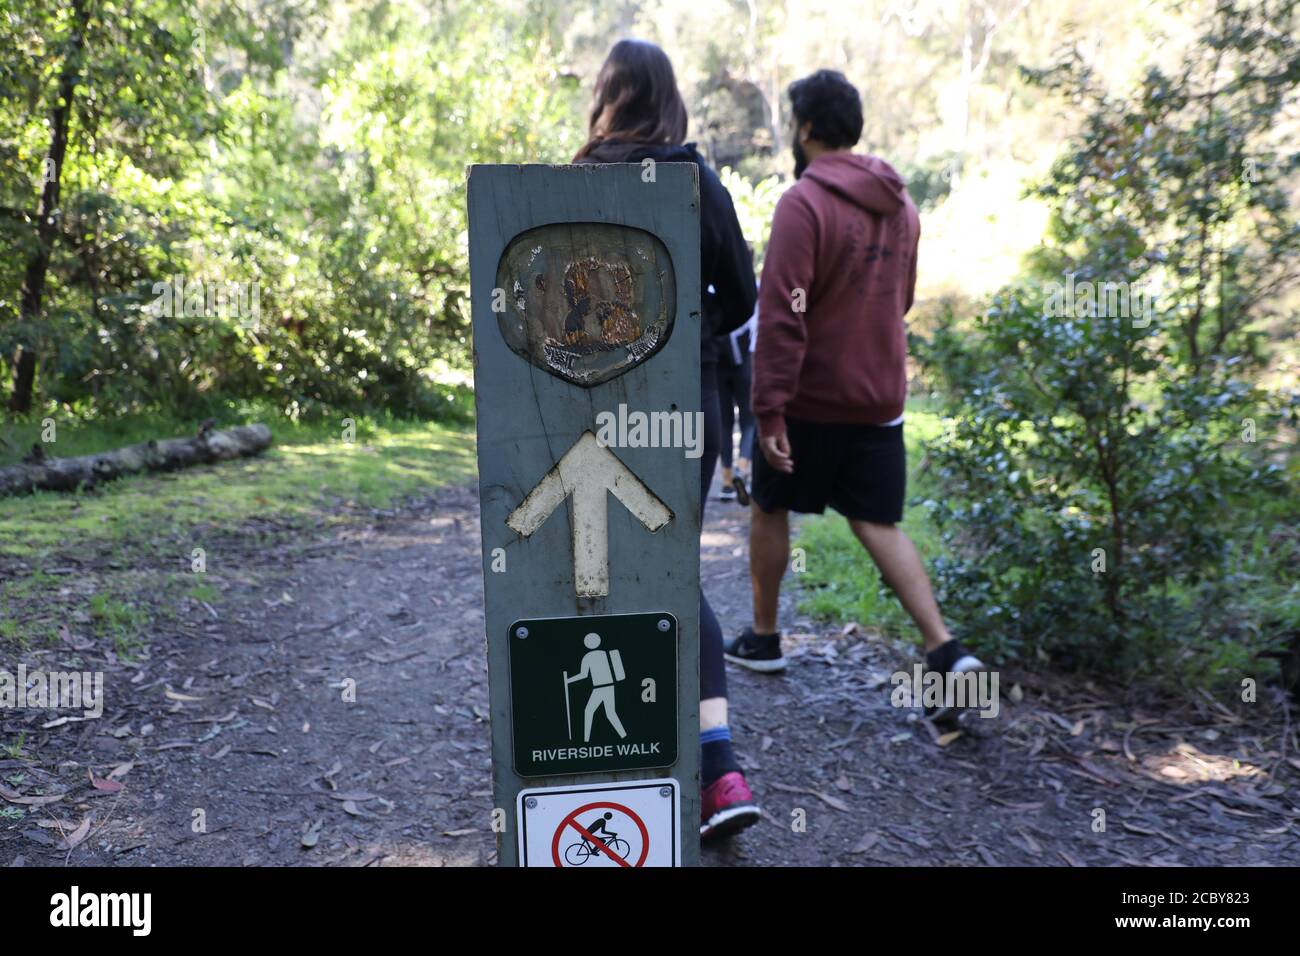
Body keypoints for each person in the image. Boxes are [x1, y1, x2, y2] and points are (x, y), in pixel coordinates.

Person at [725, 70, 985, 721]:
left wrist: (770, 406)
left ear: (807, 128)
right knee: (877, 522)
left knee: (769, 502)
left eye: (793, 121)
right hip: (880, 400)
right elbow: (903, 299)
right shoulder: (902, 206)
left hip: (811, 400)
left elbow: (783, 313)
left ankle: (764, 638)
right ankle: (947, 653)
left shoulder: (803, 204)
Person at [573, 39, 762, 837]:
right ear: (670, 99)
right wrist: (686, 322)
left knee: (600, 569)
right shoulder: (696, 180)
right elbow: (745, 293)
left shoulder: (566, 184)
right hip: (689, 402)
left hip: (589, 405)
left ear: (606, 98)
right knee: (672, 565)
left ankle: (611, 759)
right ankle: (713, 766)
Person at [715, 306, 756, 504]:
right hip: (744, 367)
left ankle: (726, 482)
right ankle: (742, 468)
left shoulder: (709, 294)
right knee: (749, 422)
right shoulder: (747, 294)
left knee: (725, 423)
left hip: (718, 367)